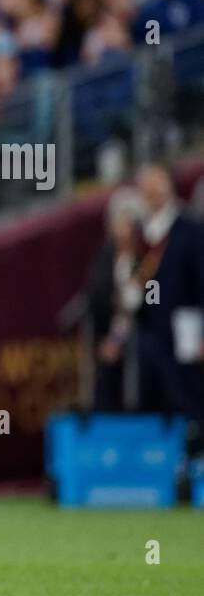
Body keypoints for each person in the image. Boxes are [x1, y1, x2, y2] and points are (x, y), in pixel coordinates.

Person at [133, 163, 204, 450]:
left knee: (190, 394)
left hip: (186, 326)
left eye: (157, 183)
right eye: (146, 185)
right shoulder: (143, 236)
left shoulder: (189, 230)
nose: (151, 191)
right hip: (152, 329)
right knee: (159, 396)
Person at [85, 188, 147, 412]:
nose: (124, 230)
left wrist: (118, 339)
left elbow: (140, 307)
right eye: (119, 223)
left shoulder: (146, 260)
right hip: (107, 338)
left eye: (129, 223)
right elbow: (97, 298)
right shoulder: (103, 259)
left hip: (141, 339)